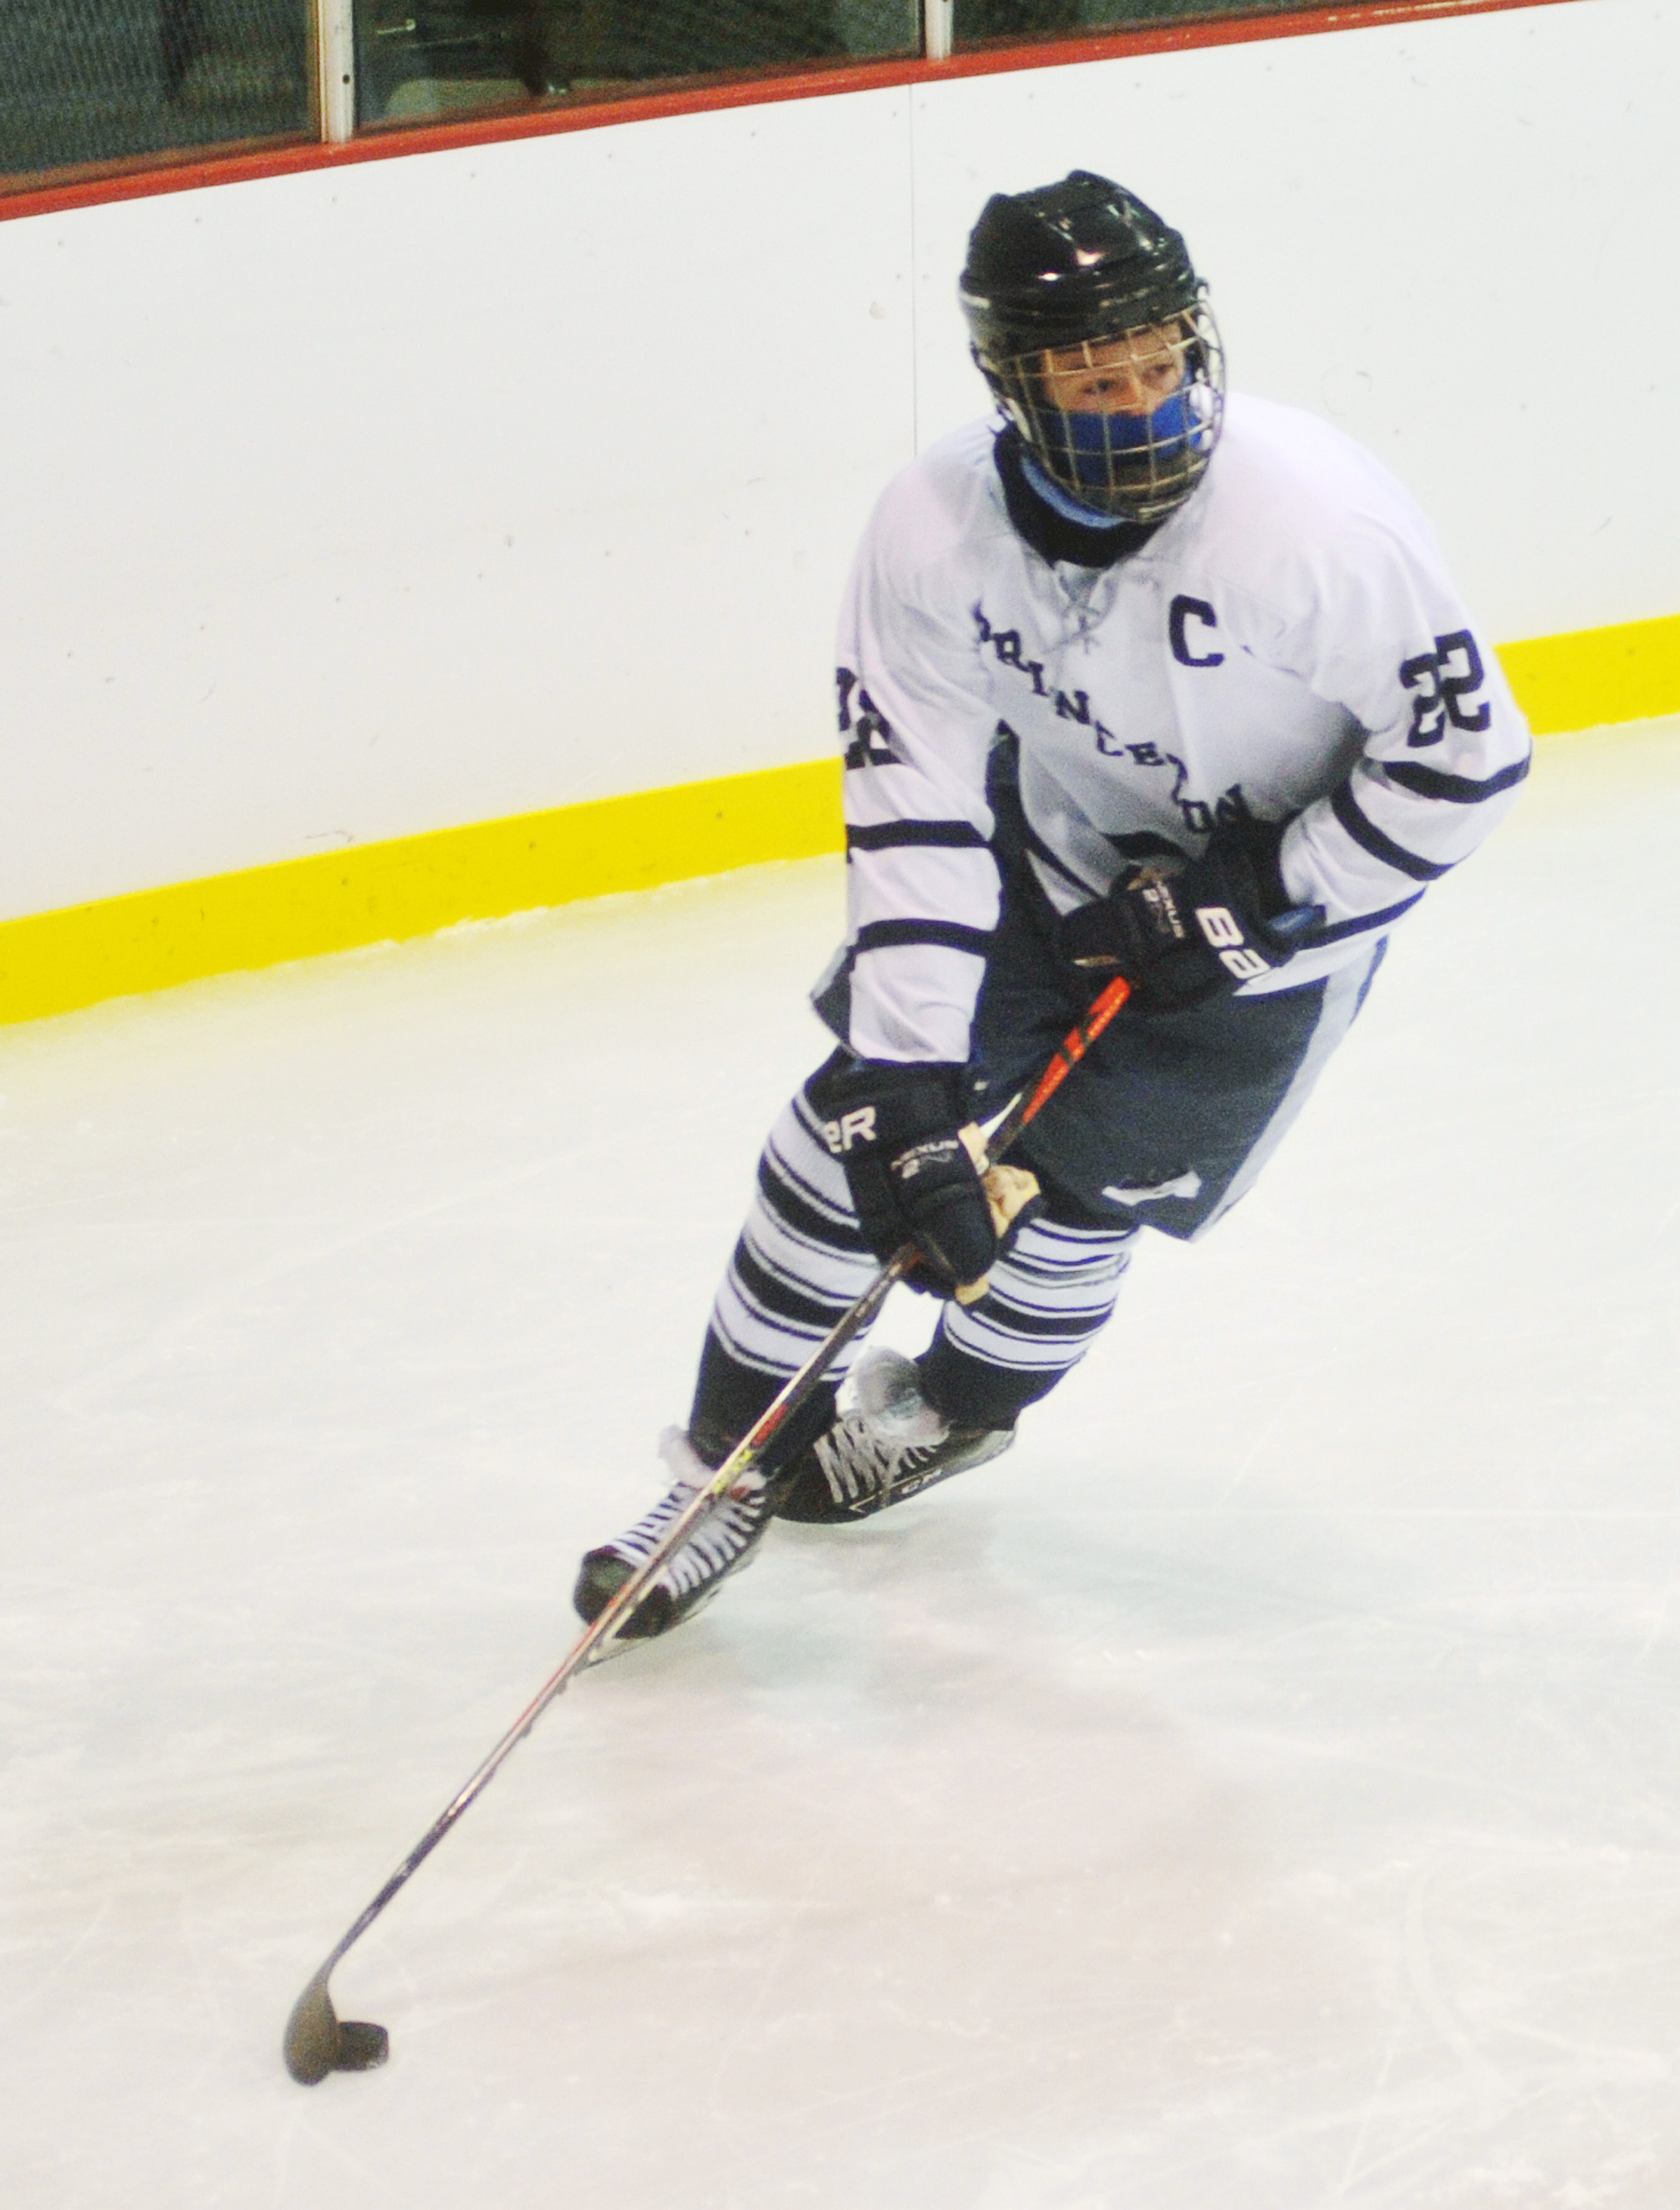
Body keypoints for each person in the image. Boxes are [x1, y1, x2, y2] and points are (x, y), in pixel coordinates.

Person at [573, 169, 1531, 1639]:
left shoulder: (1321, 524)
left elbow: (1466, 763)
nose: (1142, 400)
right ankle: (721, 1478)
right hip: (1056, 857)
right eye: (1093, 372)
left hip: (1280, 933)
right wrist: (902, 1069)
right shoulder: (933, 531)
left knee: (1081, 1205)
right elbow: (919, 800)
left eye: (1160, 358)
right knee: (844, 1145)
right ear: (1011, 381)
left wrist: (1258, 899)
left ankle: (953, 1410)